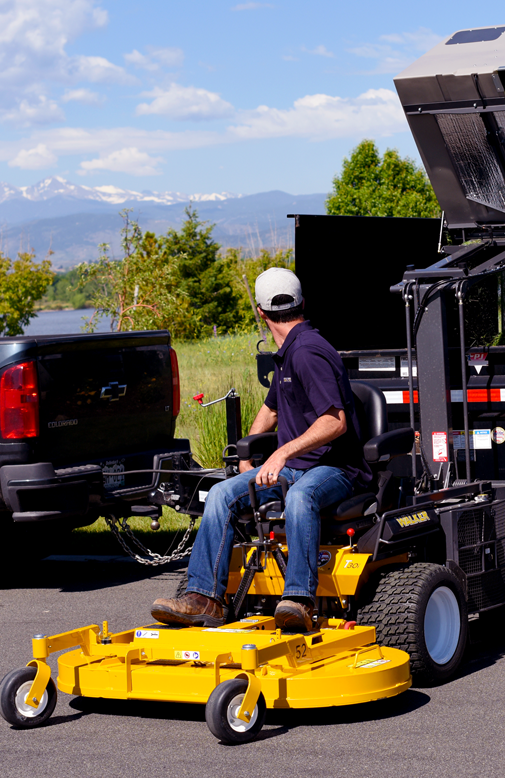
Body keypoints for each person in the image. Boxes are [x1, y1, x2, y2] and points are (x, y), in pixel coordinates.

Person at [149, 267, 372, 634]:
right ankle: (206, 598)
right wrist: (246, 454)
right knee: (221, 493)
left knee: (301, 496)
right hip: (295, 467)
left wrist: (280, 454)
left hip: (336, 469)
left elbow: (335, 422)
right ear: (302, 303)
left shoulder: (309, 352)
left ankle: (299, 600)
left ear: (261, 312)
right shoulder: (288, 353)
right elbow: (269, 410)